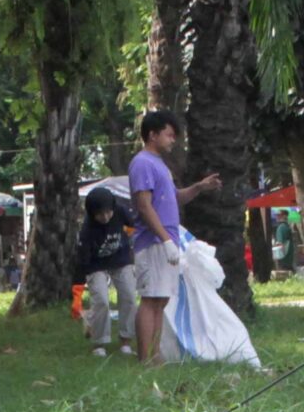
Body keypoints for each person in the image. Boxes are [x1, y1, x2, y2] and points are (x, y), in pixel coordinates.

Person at [126, 110, 222, 363]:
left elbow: (175, 197)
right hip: (153, 242)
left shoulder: (160, 165)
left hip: (167, 240)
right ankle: (146, 358)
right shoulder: (143, 163)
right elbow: (145, 205)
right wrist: (165, 240)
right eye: (169, 135)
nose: (172, 140)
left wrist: (199, 187)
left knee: (161, 299)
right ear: (152, 134)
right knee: (150, 299)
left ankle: (154, 355)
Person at [77, 186, 139, 356]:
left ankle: (126, 340)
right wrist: (80, 286)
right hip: (96, 265)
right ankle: (99, 343)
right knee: (101, 300)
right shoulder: (87, 231)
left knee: (129, 296)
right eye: (100, 214)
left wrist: (131, 237)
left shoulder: (120, 212)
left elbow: (135, 223)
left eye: (108, 212)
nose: (105, 217)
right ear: (92, 213)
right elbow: (83, 260)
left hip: (121, 260)